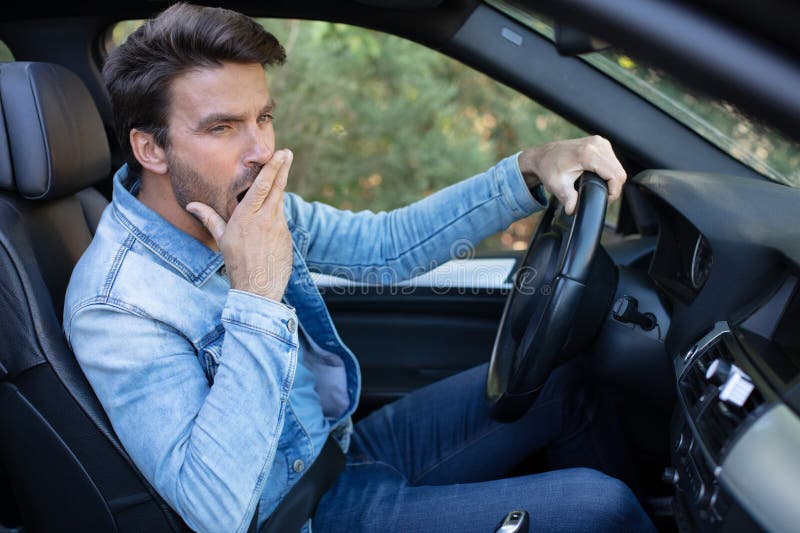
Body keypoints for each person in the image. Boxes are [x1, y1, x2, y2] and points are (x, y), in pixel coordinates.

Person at [64, 3, 655, 532]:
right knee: (602, 508)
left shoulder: (238, 204)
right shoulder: (117, 306)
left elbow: (386, 246)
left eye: (263, 118)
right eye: (222, 127)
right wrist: (258, 297)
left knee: (568, 382)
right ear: (151, 148)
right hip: (303, 515)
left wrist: (528, 168)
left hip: (340, 451)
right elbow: (217, 511)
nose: (262, 151)